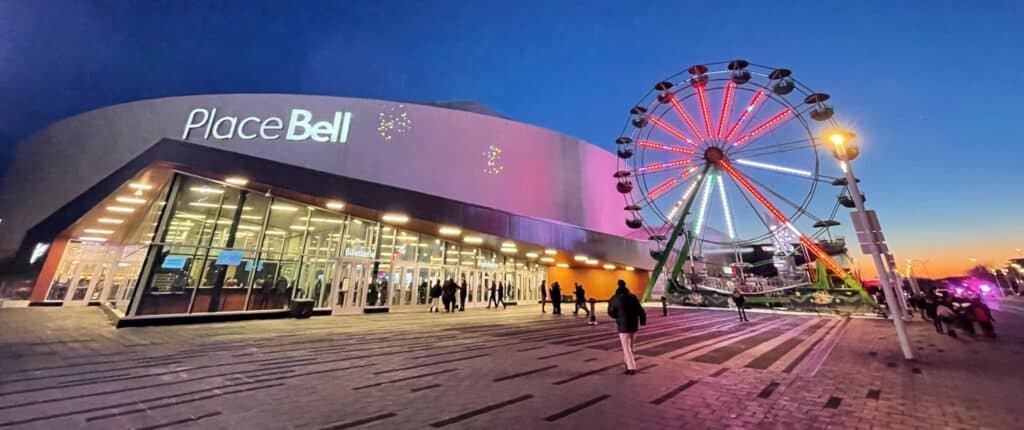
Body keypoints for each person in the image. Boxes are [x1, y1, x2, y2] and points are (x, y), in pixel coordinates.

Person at [608, 280, 646, 375]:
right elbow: (640, 310)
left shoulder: (614, 298)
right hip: (633, 325)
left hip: (623, 326)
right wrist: (642, 321)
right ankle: (627, 362)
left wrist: (617, 317)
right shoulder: (633, 297)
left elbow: (611, 312)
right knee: (630, 346)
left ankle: (631, 367)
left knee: (626, 347)